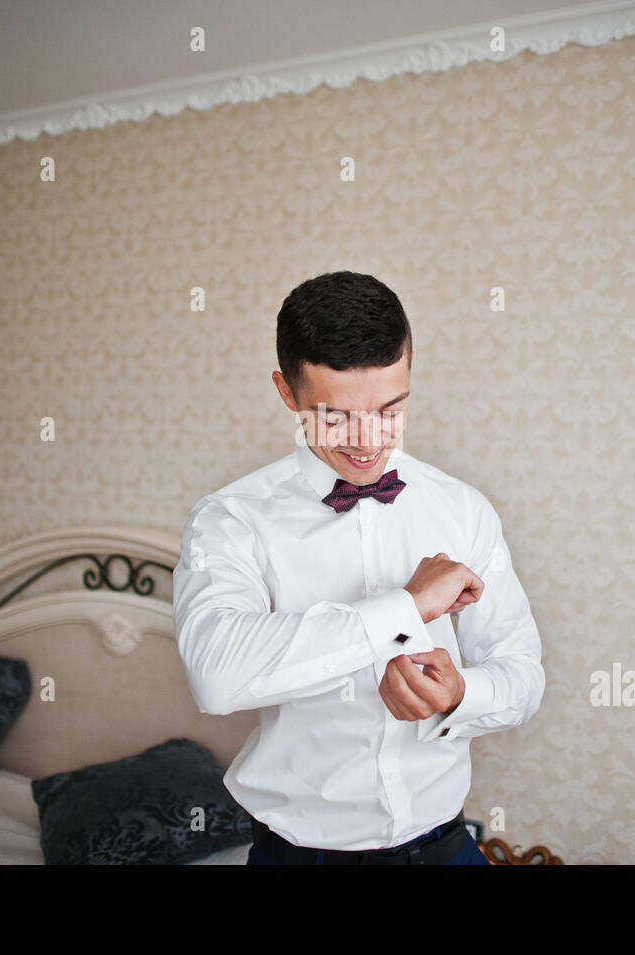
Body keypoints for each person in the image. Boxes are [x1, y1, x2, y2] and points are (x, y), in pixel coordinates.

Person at [173, 270, 544, 865]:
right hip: (302, 855)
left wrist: (460, 693)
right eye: (336, 416)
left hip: (446, 846)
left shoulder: (463, 508)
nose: (369, 441)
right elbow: (217, 677)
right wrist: (408, 607)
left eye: (391, 408)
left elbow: (524, 674)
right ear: (286, 392)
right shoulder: (231, 520)